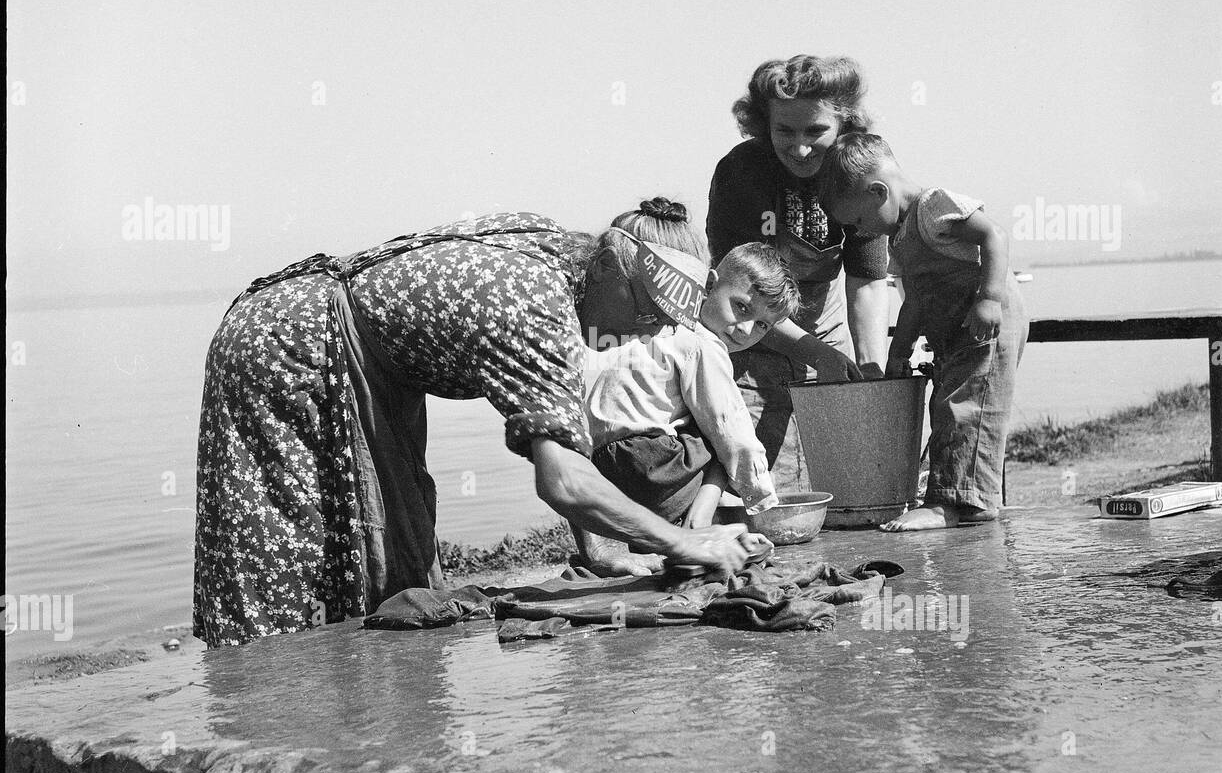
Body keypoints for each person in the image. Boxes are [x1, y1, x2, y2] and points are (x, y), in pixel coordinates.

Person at [192, 210, 759, 647]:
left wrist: (604, 552)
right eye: (644, 311)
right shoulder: (536, 302)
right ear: (610, 267)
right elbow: (562, 480)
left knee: (384, 537)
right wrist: (684, 540)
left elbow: (562, 435)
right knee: (296, 544)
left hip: (358, 356)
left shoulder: (559, 255)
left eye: (662, 321)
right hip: (292, 347)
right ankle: (272, 703)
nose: (645, 332)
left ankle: (361, 706)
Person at [824, 132, 1029, 531]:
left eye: (860, 220)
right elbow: (915, 301)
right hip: (953, 336)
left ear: (878, 191)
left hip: (985, 325)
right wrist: (898, 353)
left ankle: (956, 505)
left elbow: (994, 236)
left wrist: (988, 298)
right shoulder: (900, 241)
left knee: (969, 409)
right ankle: (962, 498)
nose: (864, 230)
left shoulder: (932, 207)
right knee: (946, 408)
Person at [706, 54, 892, 489]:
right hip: (749, 335)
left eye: (816, 131)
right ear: (762, 124)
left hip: (827, 325)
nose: (801, 147)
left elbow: (866, 278)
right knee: (754, 475)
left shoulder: (856, 172)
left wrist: (869, 366)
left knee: (851, 473)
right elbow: (740, 297)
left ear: (844, 125)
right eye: (784, 131)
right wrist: (817, 355)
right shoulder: (740, 173)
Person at [582, 200, 801, 544]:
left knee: (703, 428)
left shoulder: (660, 329)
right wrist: (762, 499)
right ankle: (700, 528)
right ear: (710, 284)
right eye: (741, 307)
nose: (744, 330)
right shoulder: (702, 344)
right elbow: (734, 430)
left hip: (602, 467)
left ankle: (681, 533)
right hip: (646, 463)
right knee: (720, 432)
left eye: (761, 324)